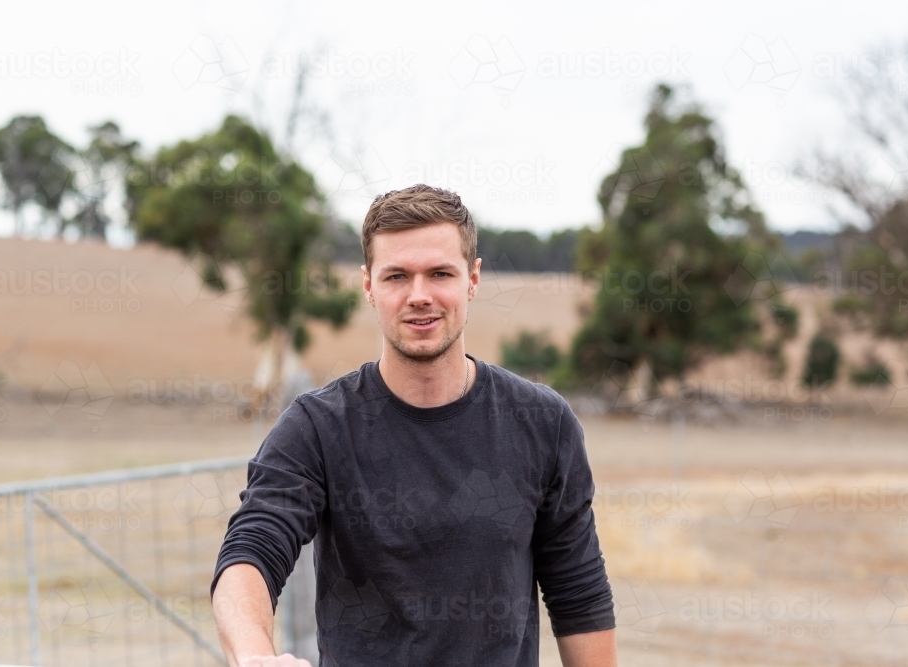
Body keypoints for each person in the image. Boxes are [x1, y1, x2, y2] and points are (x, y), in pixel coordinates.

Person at [211, 184, 617, 666]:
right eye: (397, 276)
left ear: (473, 278)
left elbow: (579, 595)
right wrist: (256, 658)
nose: (419, 296)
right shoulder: (317, 426)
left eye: (440, 273)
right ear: (368, 286)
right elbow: (252, 547)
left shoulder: (542, 423)